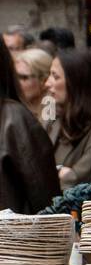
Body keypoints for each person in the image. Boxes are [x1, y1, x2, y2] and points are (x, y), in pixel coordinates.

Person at [0, 49, 60, 213]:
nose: (20, 82)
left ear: (42, 80)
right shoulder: (14, 117)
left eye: (25, 77)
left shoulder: (18, 116)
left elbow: (43, 192)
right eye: (18, 76)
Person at [45, 48, 91, 189]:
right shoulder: (53, 118)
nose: (47, 83)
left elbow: (76, 180)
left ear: (76, 82)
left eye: (55, 77)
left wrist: (64, 175)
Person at [13, 47, 53, 127]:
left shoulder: (55, 116)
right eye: (14, 76)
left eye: (23, 77)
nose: (16, 82)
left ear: (44, 80)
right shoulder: (12, 109)